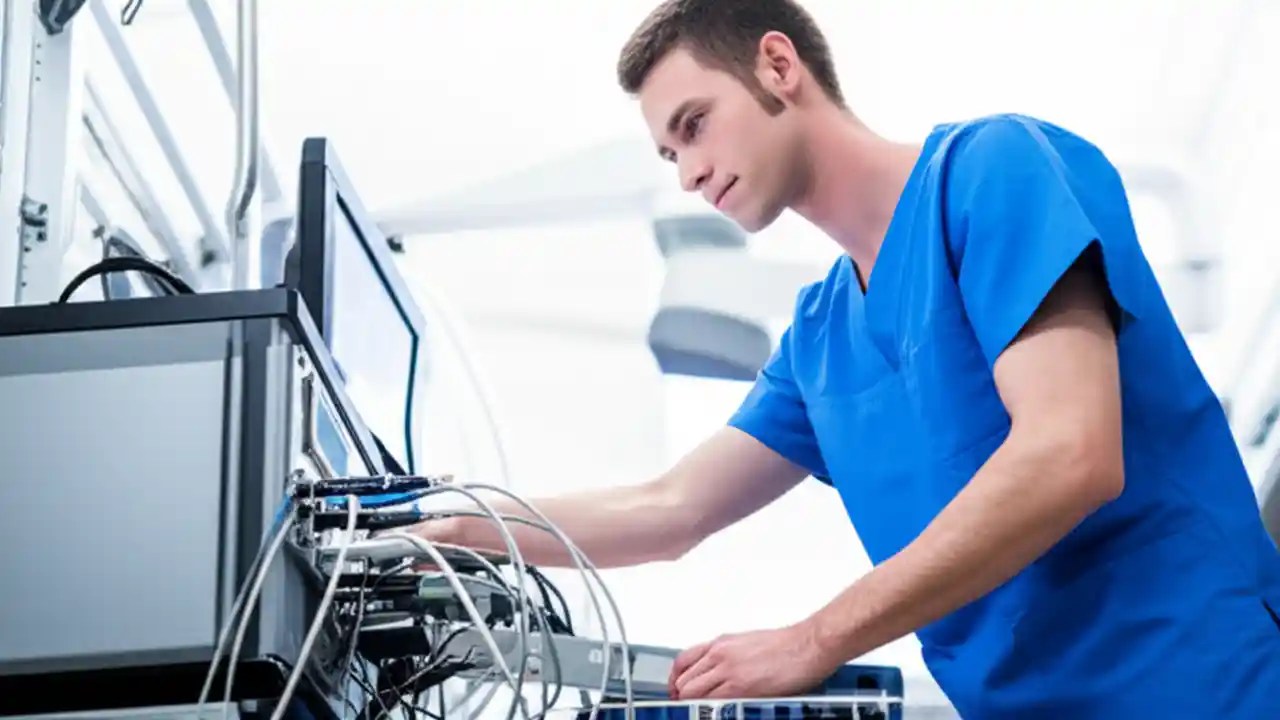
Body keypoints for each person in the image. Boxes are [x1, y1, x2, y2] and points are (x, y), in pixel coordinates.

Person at [412, 1, 1280, 716]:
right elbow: (671, 507)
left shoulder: (992, 171)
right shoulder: (822, 337)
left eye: (695, 125)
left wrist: (813, 639)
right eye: (670, 154)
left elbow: (1071, 455)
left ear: (778, 65)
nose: (687, 173)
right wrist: (451, 531)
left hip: (1197, 684)